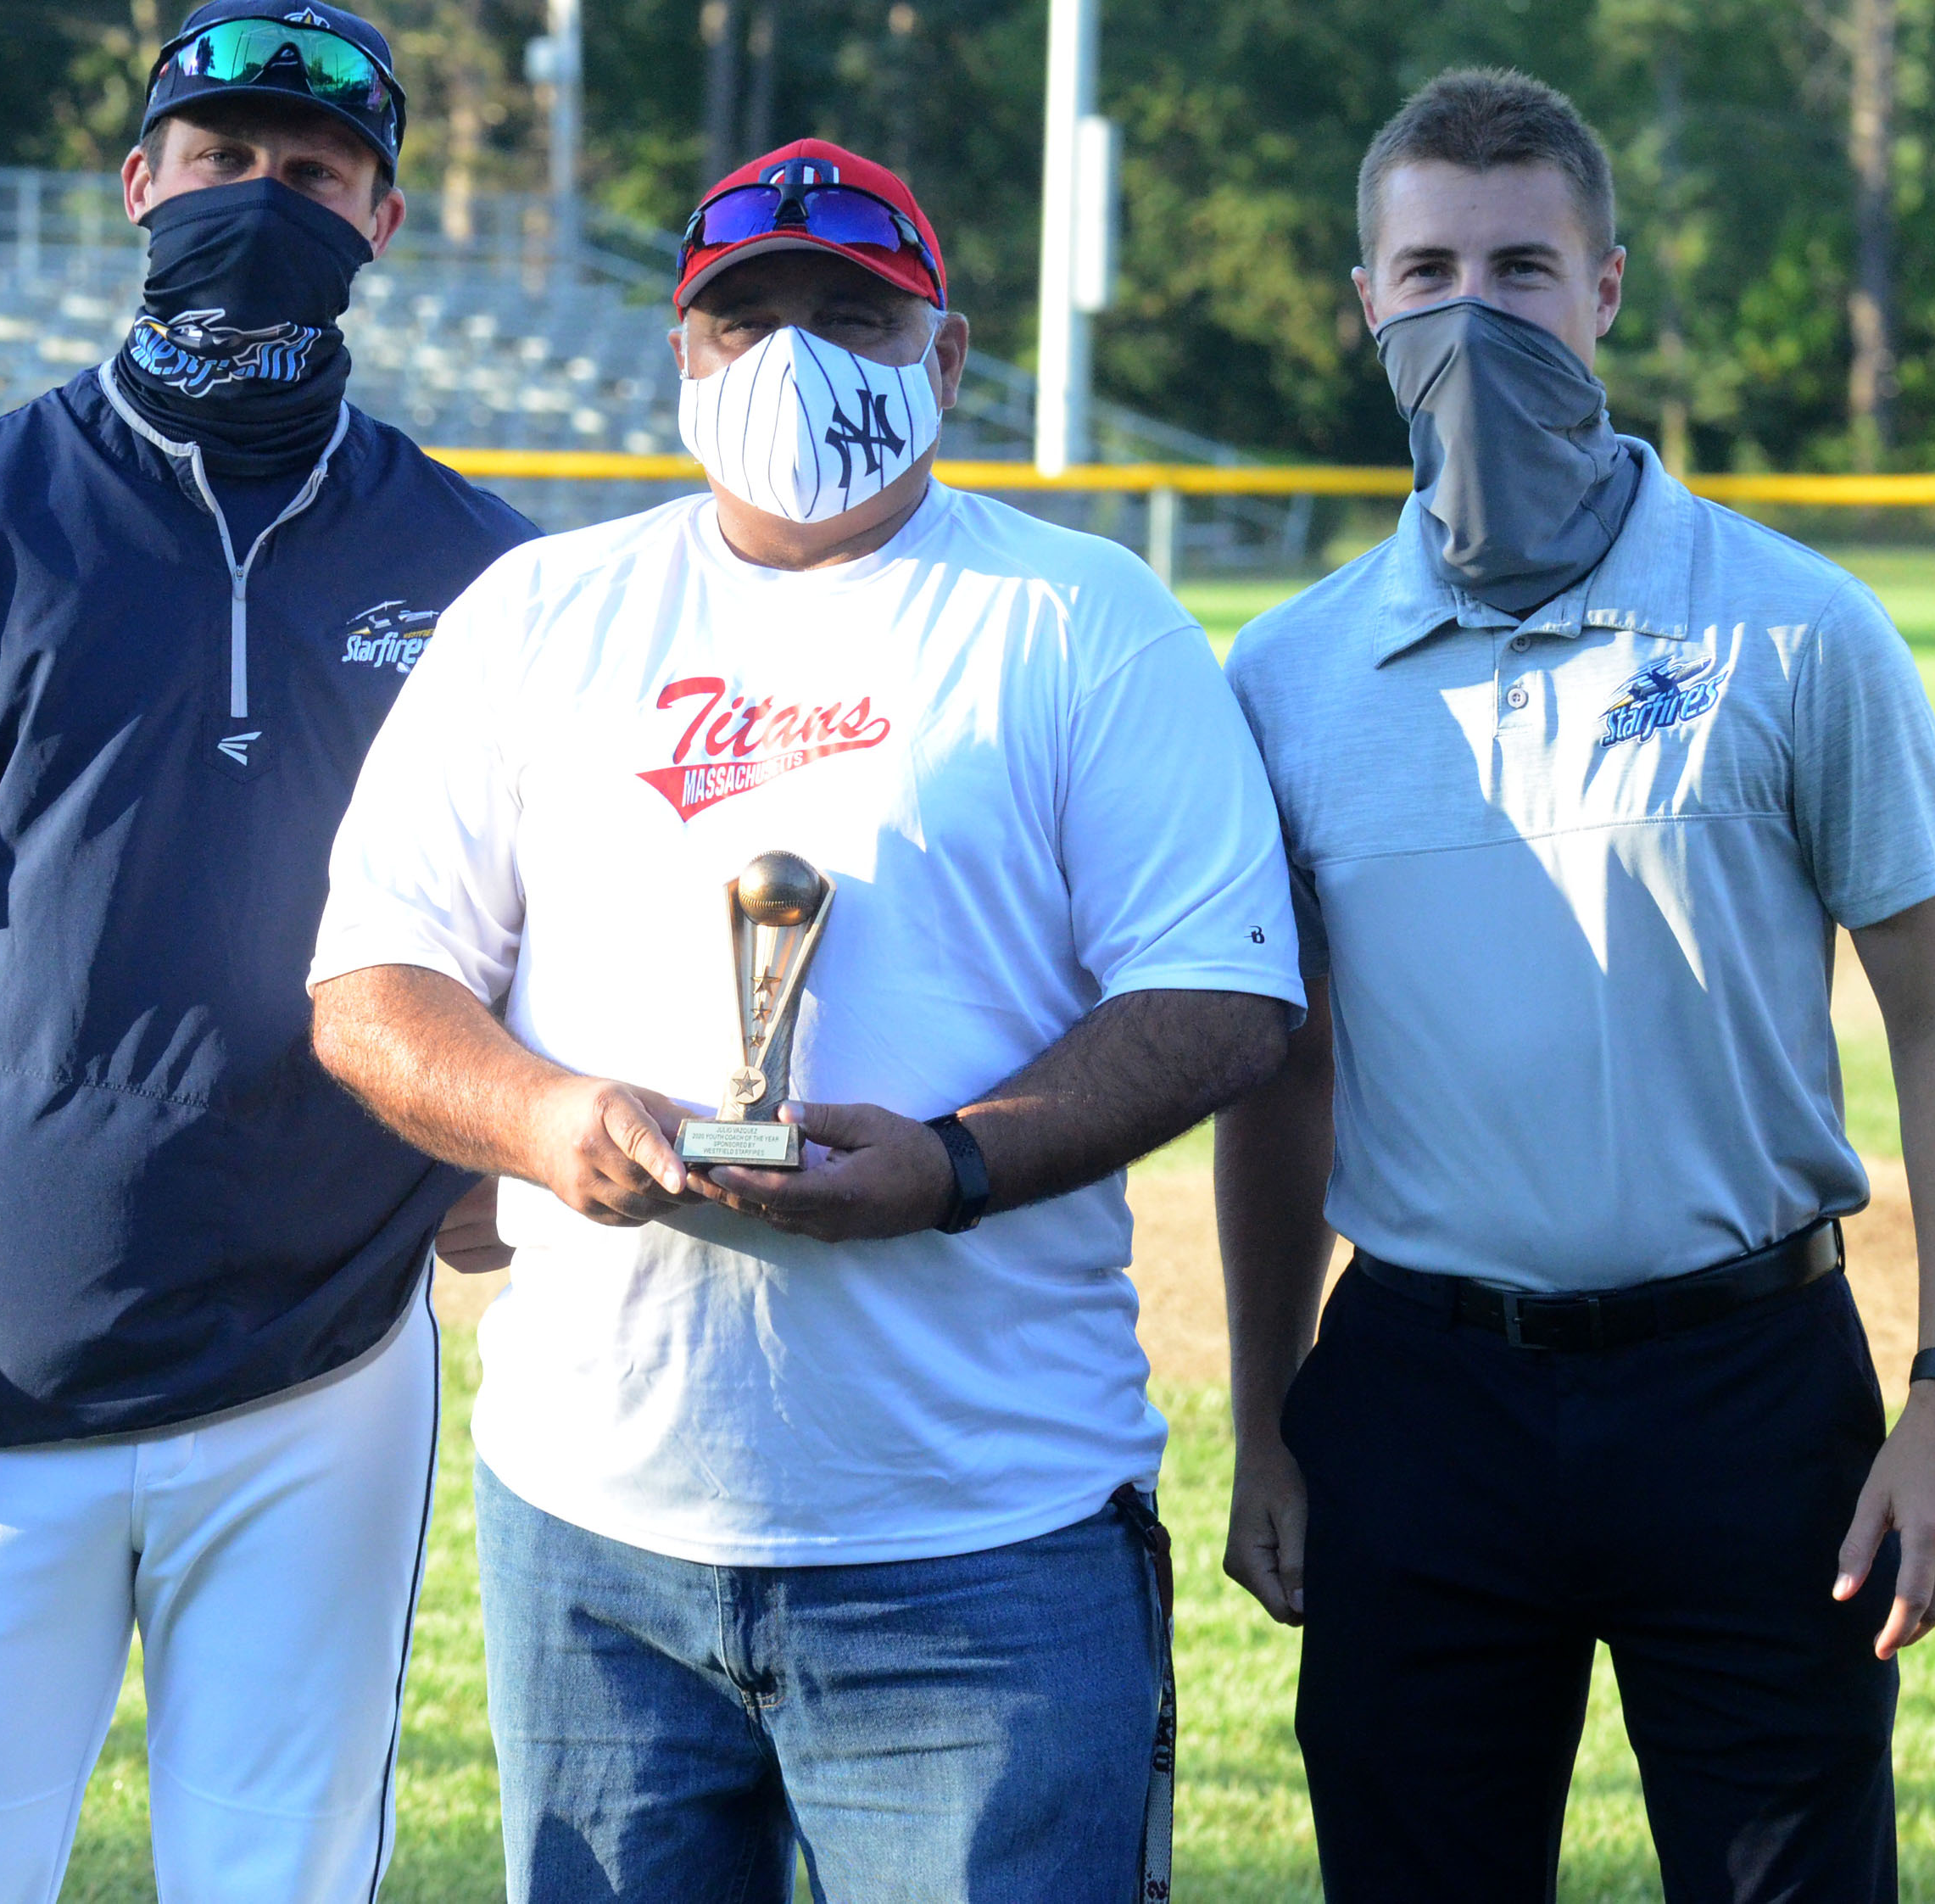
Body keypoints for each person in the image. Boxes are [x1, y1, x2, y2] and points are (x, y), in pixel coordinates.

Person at [306, 138, 1304, 1901]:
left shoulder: (1080, 619)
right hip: (594, 1535)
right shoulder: (545, 611)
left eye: (851, 312)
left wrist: (958, 1164)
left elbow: (1221, 990)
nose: (793, 357)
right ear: (681, 354)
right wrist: (541, 1121)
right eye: (743, 315)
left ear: (950, 352)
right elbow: (372, 982)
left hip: (982, 1539)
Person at [0, 6, 537, 1898]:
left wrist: (489, 1158)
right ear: (137, 186)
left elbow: (521, 916)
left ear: (386, 216)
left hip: (324, 1361)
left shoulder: (487, 563)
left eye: (314, 176)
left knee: (274, 1875)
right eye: (220, 163)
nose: (263, 203)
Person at [1218, 70, 1935, 1903]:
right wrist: (1268, 1410)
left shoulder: (1797, 625)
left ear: (1606, 292)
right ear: (1365, 301)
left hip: (1748, 1391)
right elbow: (1286, 1073)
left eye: (1522, 267)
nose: (1471, 312)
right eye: (1425, 268)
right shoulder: (1286, 675)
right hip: (1421, 1395)